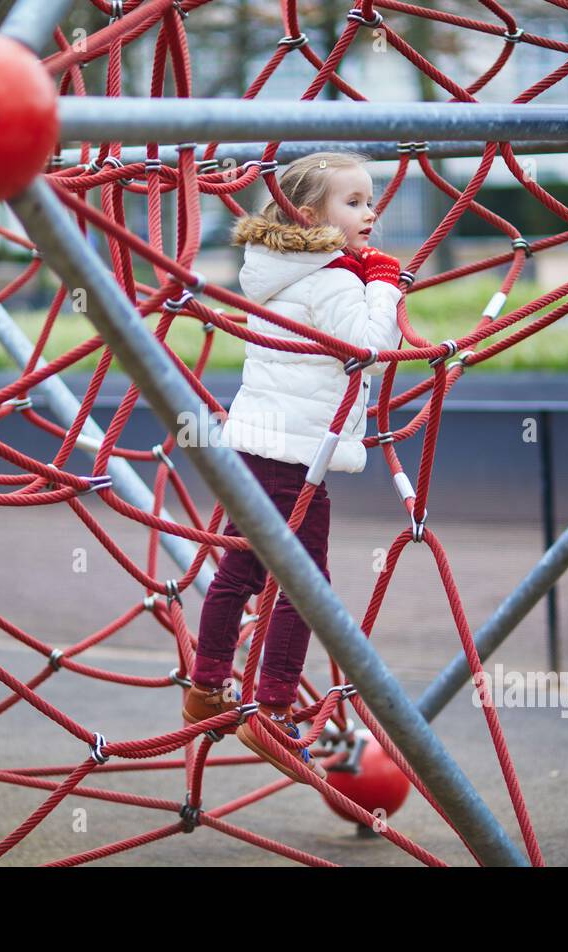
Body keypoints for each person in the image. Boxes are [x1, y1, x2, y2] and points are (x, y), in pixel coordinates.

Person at [181, 150, 404, 783]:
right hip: (296, 459)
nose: (370, 212)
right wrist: (385, 281)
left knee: (241, 569)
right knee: (307, 587)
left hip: (254, 442)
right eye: (354, 202)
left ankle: (206, 685)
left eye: (370, 200)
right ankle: (273, 705)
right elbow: (372, 351)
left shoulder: (273, 268)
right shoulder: (335, 280)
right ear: (309, 215)